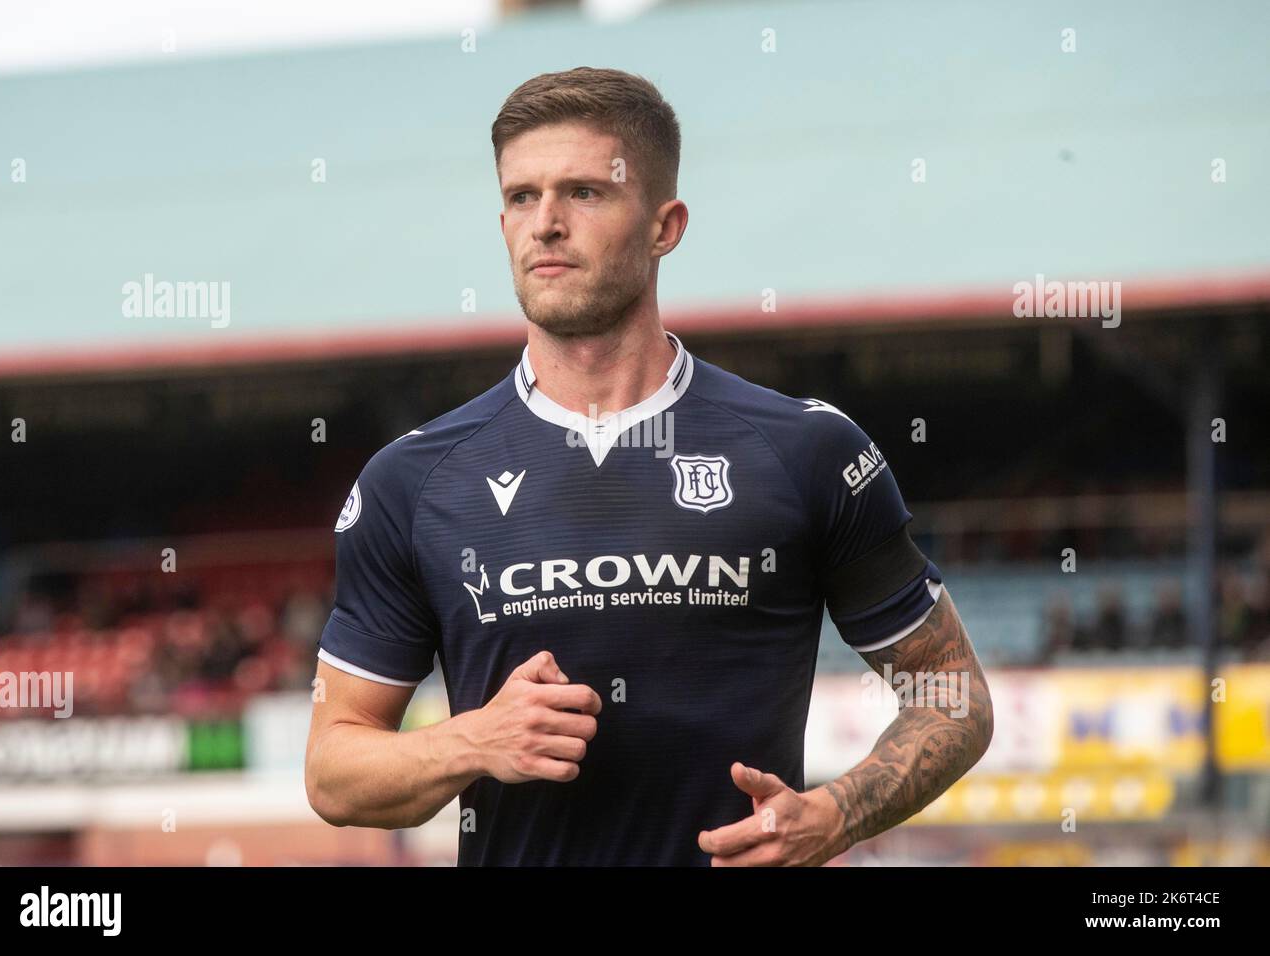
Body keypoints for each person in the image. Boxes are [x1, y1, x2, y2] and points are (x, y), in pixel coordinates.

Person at [304, 67, 992, 866]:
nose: (547, 224)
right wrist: (470, 741)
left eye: (585, 193)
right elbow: (332, 771)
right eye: (523, 198)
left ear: (666, 226)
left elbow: (954, 696)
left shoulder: (805, 451)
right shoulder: (413, 481)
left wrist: (838, 813)